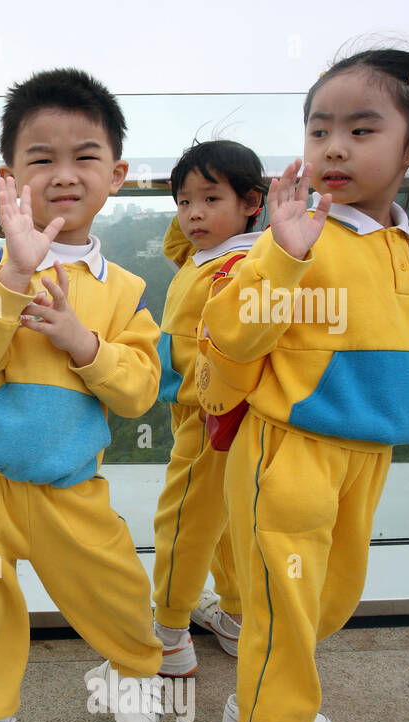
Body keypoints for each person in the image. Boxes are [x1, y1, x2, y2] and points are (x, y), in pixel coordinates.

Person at [200, 47, 409, 722]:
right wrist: (283, 251)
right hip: (287, 450)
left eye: (361, 129)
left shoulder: (407, 255)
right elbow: (226, 333)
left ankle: (246, 711)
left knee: (326, 602)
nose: (333, 146)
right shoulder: (298, 235)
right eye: (319, 127)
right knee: (286, 615)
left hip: (365, 460)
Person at [0, 68, 171, 722]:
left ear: (117, 175)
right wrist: (14, 274)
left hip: (71, 484)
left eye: (84, 156)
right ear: (11, 177)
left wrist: (81, 341)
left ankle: (131, 676)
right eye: (41, 158)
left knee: (122, 588)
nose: (63, 174)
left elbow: (138, 390)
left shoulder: (126, 286)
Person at [152, 141, 265, 679]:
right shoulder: (201, 251)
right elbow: (185, 232)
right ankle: (238, 616)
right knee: (222, 523)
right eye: (183, 200)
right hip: (207, 412)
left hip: (211, 414)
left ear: (251, 202)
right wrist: (198, 173)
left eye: (210, 198)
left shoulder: (242, 263)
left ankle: (169, 631)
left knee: (184, 520)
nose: (193, 214)